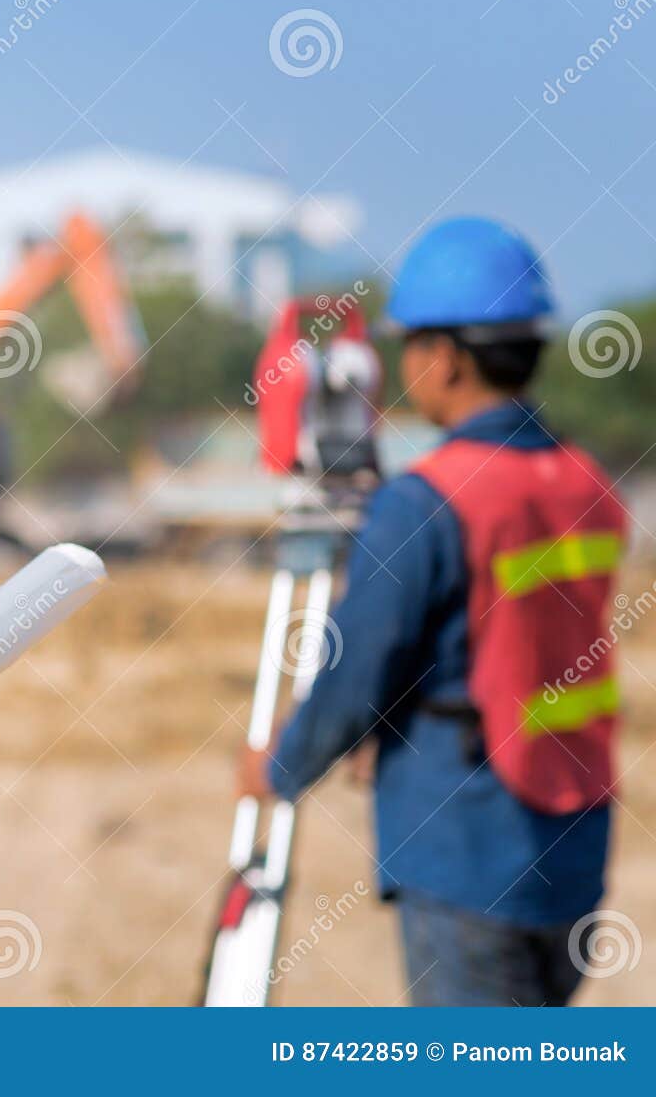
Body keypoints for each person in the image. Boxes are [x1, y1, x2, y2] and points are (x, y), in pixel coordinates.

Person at [238, 216, 625, 1006]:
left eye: (410, 345)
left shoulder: (428, 502)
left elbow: (357, 673)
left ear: (443, 358)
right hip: (576, 840)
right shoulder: (585, 479)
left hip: (468, 850)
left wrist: (280, 768)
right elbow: (497, 637)